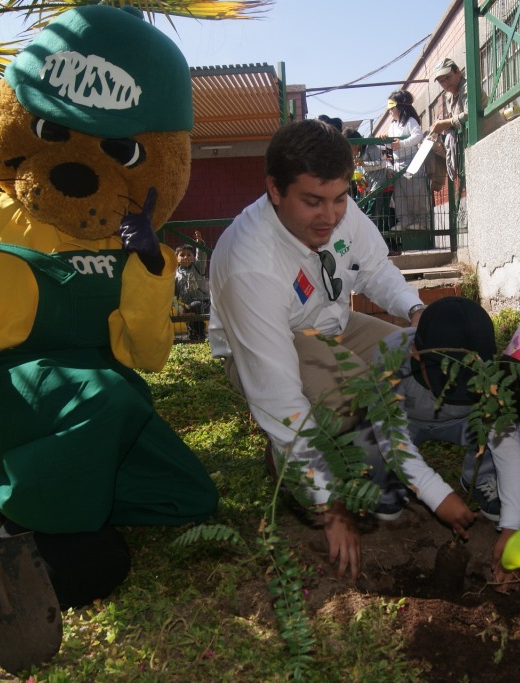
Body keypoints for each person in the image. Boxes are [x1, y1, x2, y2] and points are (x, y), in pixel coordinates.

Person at [208, 118, 427, 581]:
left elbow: (373, 269)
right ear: (274, 189)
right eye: (312, 202)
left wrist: (415, 311)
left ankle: (376, 446)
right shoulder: (251, 264)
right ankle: (303, 466)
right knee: (338, 389)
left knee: (416, 354)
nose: (329, 216)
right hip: (264, 344)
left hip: (332, 324)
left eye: (339, 199)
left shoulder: (340, 208)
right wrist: (333, 507)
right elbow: (278, 395)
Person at [373, 297, 520, 572]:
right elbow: (391, 435)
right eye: (447, 382)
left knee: (505, 425)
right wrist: (436, 494)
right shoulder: (390, 358)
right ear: (416, 353)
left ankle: (479, 477)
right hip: (408, 422)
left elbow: (508, 445)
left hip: (465, 424)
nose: (455, 394)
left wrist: (513, 525)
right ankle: (389, 486)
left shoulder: (490, 373)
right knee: (371, 436)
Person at [429, 57, 491, 185]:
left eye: (448, 77)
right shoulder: (449, 96)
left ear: (458, 72)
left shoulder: (468, 87)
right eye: (441, 81)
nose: (446, 83)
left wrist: (447, 123)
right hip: (476, 147)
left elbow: (470, 113)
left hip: (491, 137)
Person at [385, 90, 431, 234]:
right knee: (400, 196)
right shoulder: (392, 125)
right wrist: (384, 140)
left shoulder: (410, 121)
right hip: (398, 164)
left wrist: (402, 144)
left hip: (412, 162)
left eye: (392, 107)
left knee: (415, 193)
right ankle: (404, 221)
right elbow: (388, 145)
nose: (390, 111)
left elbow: (417, 136)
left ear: (400, 106)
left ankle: (421, 221)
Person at [175, 244, 210, 341]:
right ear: (177, 258)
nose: (185, 257)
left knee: (195, 305)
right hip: (187, 305)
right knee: (188, 309)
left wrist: (199, 244)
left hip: (204, 302)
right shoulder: (176, 276)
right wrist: (178, 308)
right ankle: (193, 334)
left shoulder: (198, 268)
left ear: (193, 257)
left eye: (189, 255)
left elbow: (201, 257)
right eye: (182, 255)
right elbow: (175, 295)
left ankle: (199, 334)